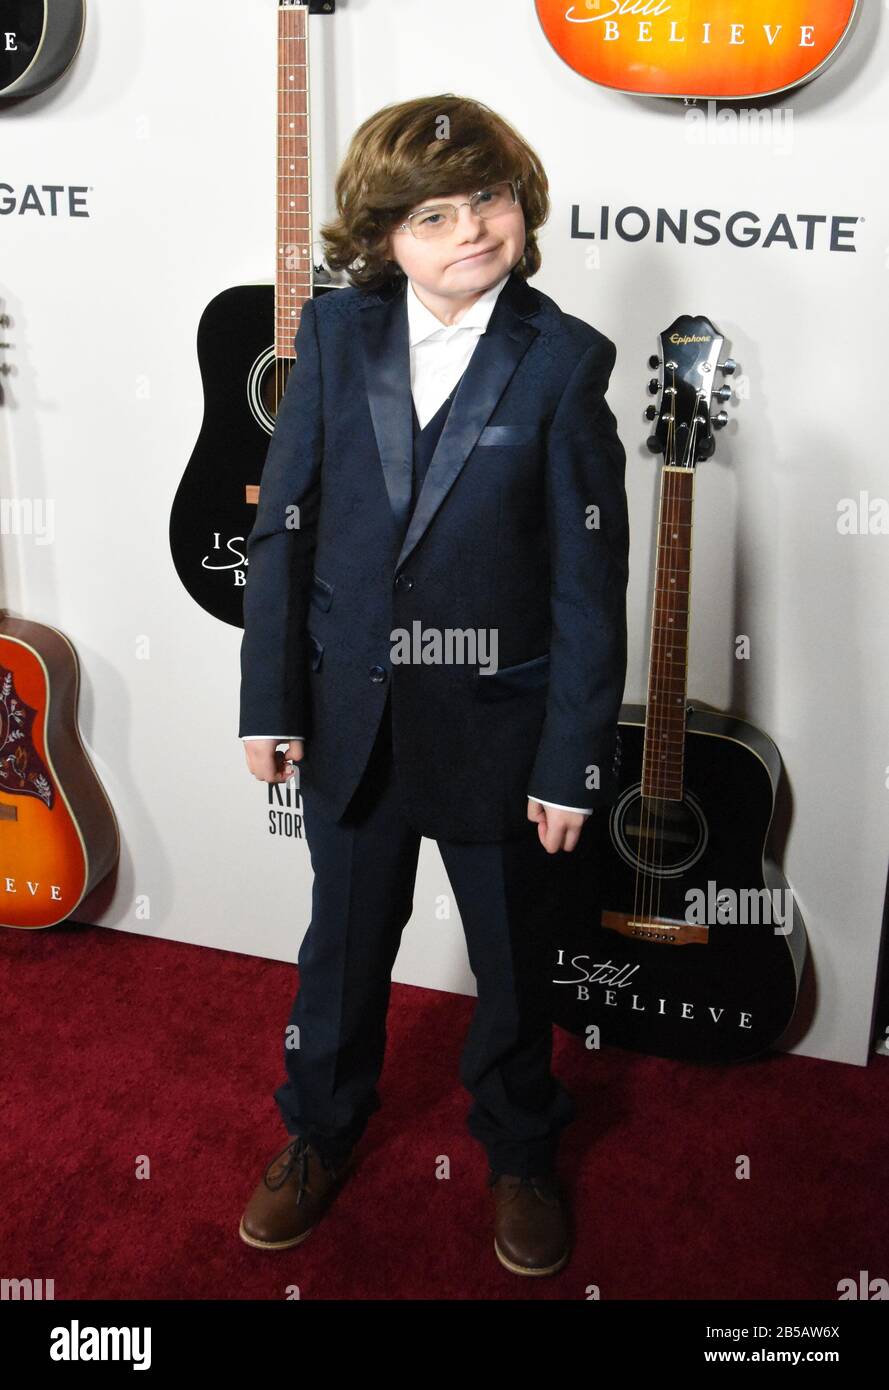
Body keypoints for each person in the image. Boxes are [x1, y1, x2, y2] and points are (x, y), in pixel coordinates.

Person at [237, 94, 629, 1278]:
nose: (471, 230)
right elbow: (283, 530)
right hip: (352, 712)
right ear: (381, 236)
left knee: (516, 957)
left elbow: (586, 581)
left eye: (492, 199)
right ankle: (317, 1130)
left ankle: (518, 1147)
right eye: (433, 214)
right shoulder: (336, 335)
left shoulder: (562, 362)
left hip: (502, 727)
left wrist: (572, 757)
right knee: (342, 948)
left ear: (526, 206)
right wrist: (270, 696)